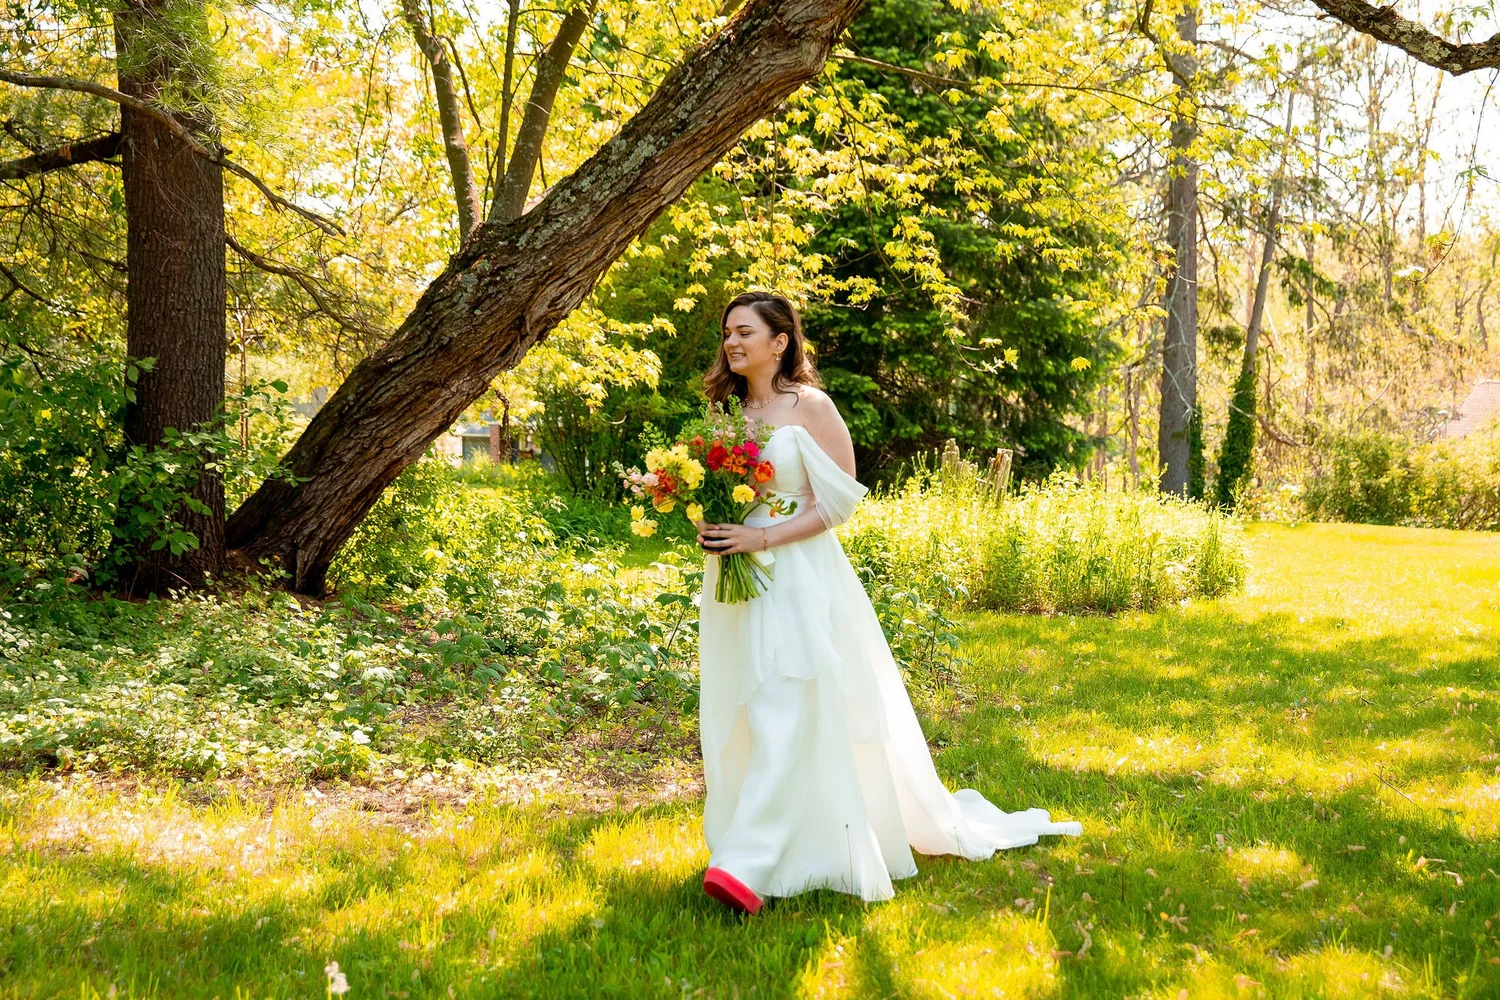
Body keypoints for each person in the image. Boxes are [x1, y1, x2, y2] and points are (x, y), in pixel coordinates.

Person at [692, 290, 1082, 915]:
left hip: (796, 576)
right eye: (727, 332)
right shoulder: (725, 412)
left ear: (780, 341)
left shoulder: (810, 406)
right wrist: (706, 518)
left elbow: (840, 500)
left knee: (782, 702)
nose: (732, 343)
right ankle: (769, 841)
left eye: (744, 331)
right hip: (735, 579)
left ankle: (747, 864)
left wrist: (762, 535)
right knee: (744, 706)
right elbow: (717, 490)